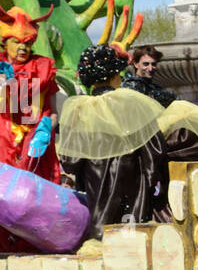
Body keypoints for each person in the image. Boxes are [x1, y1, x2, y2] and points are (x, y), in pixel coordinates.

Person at [58, 44, 172, 238]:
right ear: (112, 76)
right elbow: (154, 147)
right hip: (131, 179)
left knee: (103, 235)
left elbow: (71, 161)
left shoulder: (80, 109)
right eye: (118, 74)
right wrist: (154, 179)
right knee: (131, 237)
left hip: (95, 180)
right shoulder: (130, 102)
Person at [0, 5, 61, 183]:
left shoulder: (44, 68)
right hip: (3, 146)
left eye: (27, 43)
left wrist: (47, 128)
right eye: (17, 42)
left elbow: (54, 111)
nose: (23, 47)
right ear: (5, 42)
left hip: (35, 146)